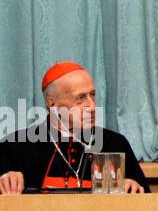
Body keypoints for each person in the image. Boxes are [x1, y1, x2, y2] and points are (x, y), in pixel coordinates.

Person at [0, 62, 149, 194]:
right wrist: (5, 183)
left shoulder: (112, 143)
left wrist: (133, 189)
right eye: (81, 98)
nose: (91, 106)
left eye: (93, 95)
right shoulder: (15, 146)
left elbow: (144, 207)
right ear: (52, 103)